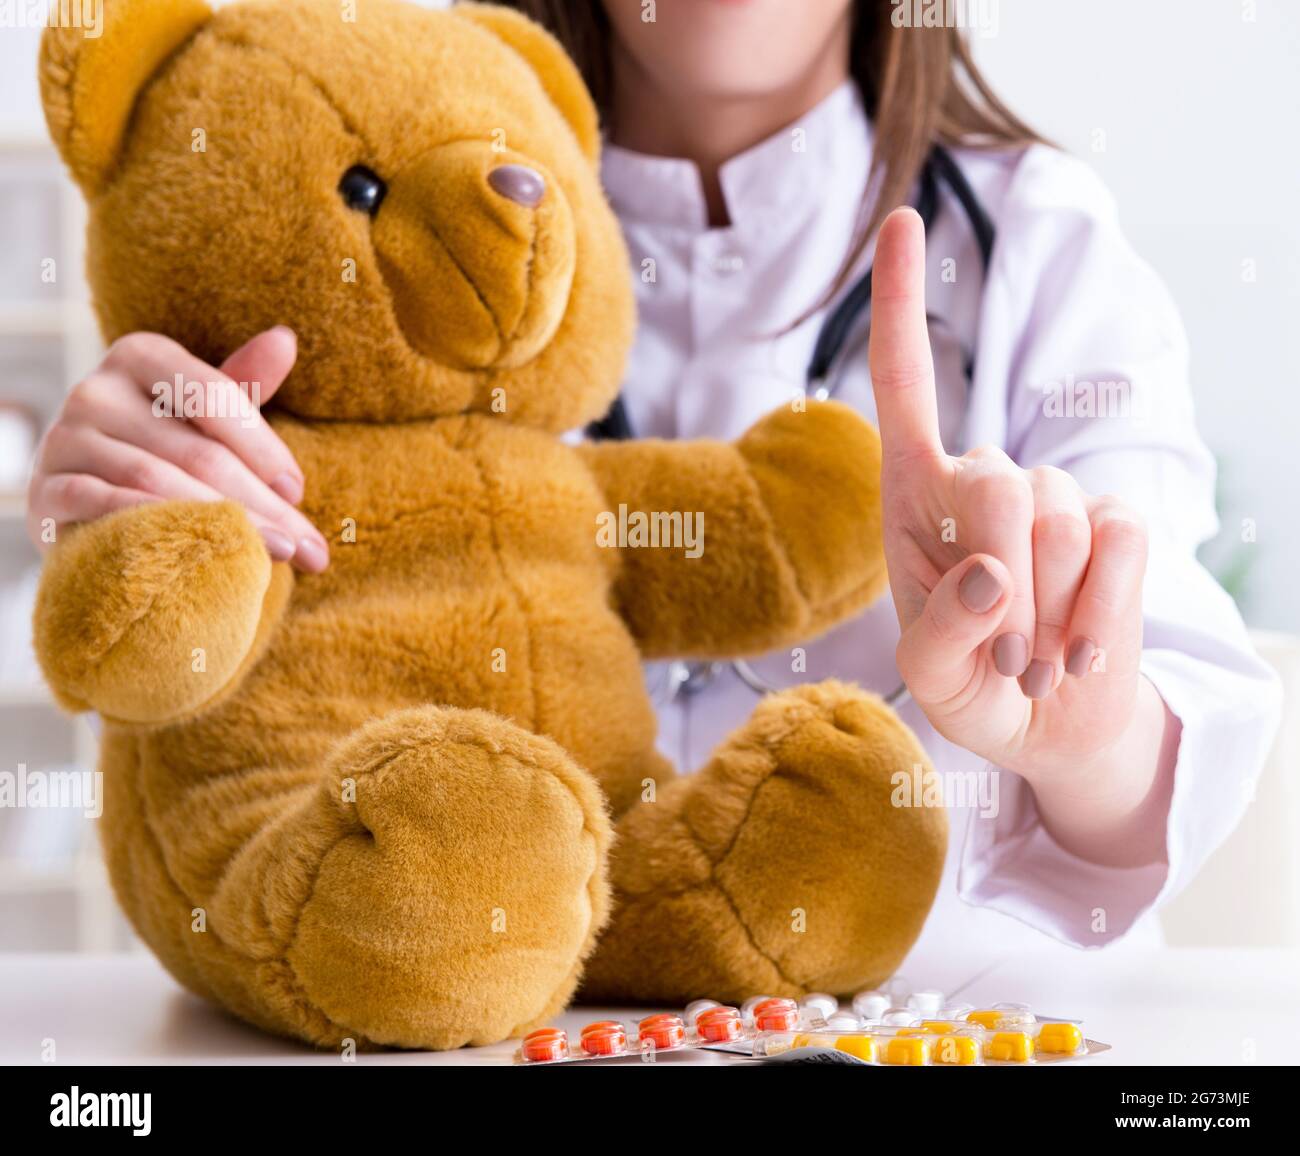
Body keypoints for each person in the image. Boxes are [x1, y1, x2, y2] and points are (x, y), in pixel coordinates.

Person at [26, 0, 1279, 985]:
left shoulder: (1039, 245)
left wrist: (1079, 726)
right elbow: (212, 714)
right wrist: (125, 516)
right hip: (442, 1003)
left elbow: (1167, 730)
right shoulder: (330, 190)